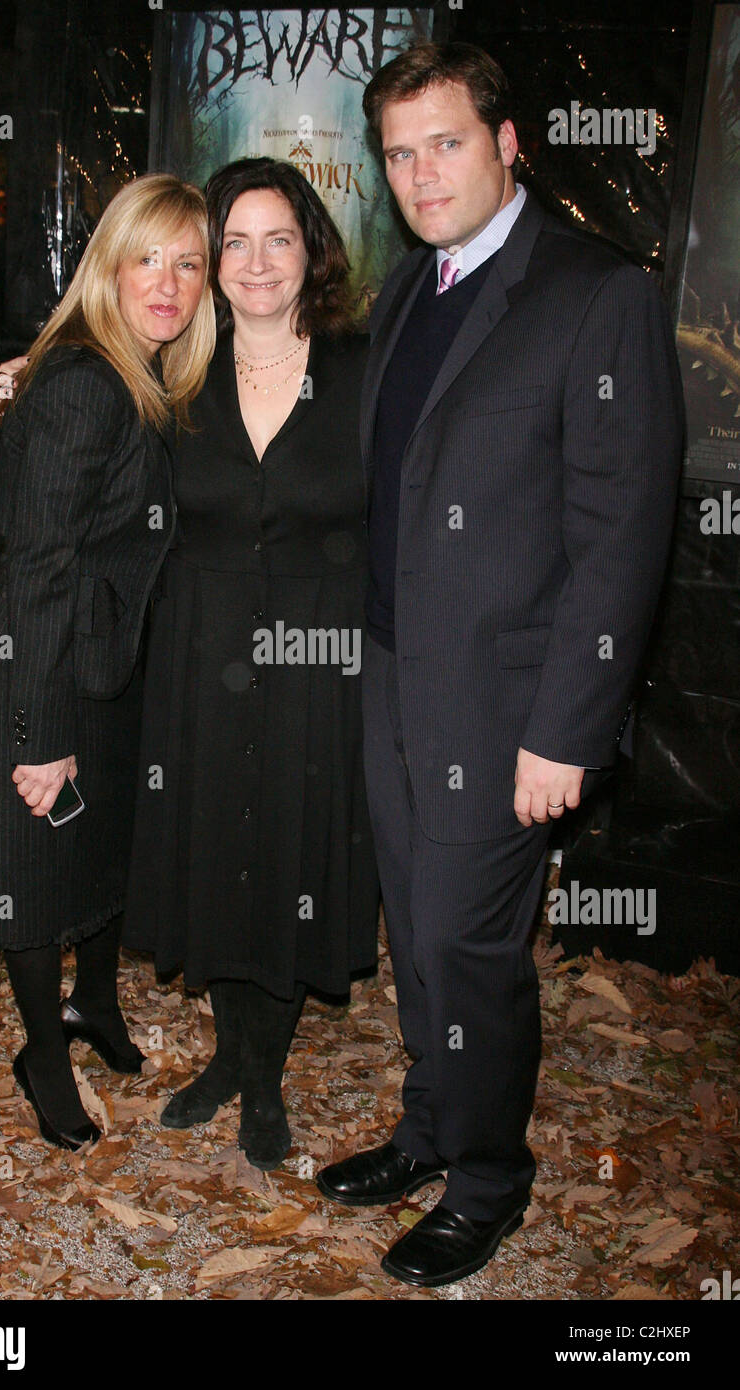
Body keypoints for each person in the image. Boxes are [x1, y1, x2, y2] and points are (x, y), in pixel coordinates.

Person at [316, 42, 684, 1286]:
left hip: (506, 706)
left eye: (446, 143)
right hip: (393, 675)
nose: (421, 173)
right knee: (415, 933)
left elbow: (622, 535)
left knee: (470, 948)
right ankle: (429, 1129)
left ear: (507, 141)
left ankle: (486, 1178)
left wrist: (568, 729)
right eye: (398, 153)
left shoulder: (597, 293)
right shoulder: (415, 287)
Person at [121, 158, 380, 1171]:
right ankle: (230, 1052)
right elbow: (91, 392)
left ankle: (263, 1074)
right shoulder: (178, 369)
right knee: (213, 852)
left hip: (321, 660)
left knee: (285, 855)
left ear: (310, 247)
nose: (257, 261)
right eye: (235, 240)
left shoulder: (363, 369)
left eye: (280, 238)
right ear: (210, 257)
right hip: (200, 649)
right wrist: (16, 381)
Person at [0, 174, 215, 1151]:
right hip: (40, 660)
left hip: (103, 650)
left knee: (102, 841)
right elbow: (33, 575)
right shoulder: (83, 385)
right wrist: (42, 734)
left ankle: (95, 1004)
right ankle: (42, 1054)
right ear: (106, 263)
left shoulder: (139, 371)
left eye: (187, 263)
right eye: (145, 257)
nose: (167, 281)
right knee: (32, 860)